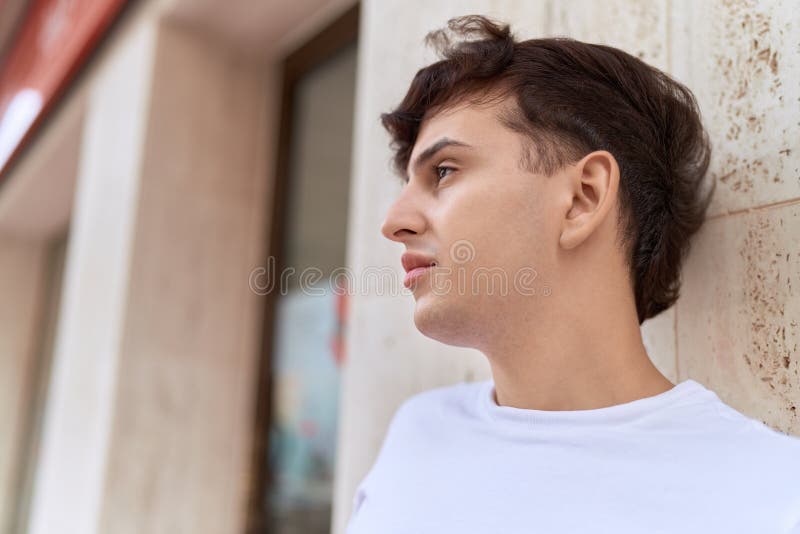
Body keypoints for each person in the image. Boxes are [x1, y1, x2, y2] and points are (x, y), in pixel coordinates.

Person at [345, 14, 800, 534]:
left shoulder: (769, 496)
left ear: (582, 199)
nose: (393, 223)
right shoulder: (417, 433)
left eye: (443, 171)